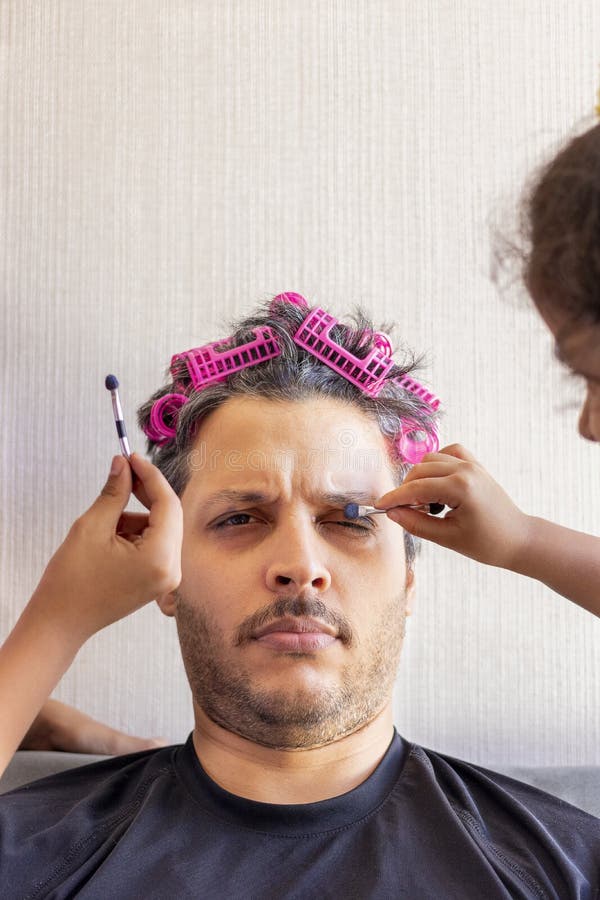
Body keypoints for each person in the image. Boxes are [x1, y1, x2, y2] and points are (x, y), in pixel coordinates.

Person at [0, 292, 598, 899]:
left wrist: (526, 541)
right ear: (168, 575)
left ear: (410, 579)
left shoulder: (563, 868)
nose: (300, 566)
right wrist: (56, 621)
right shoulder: (39, 852)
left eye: (350, 519)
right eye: (240, 519)